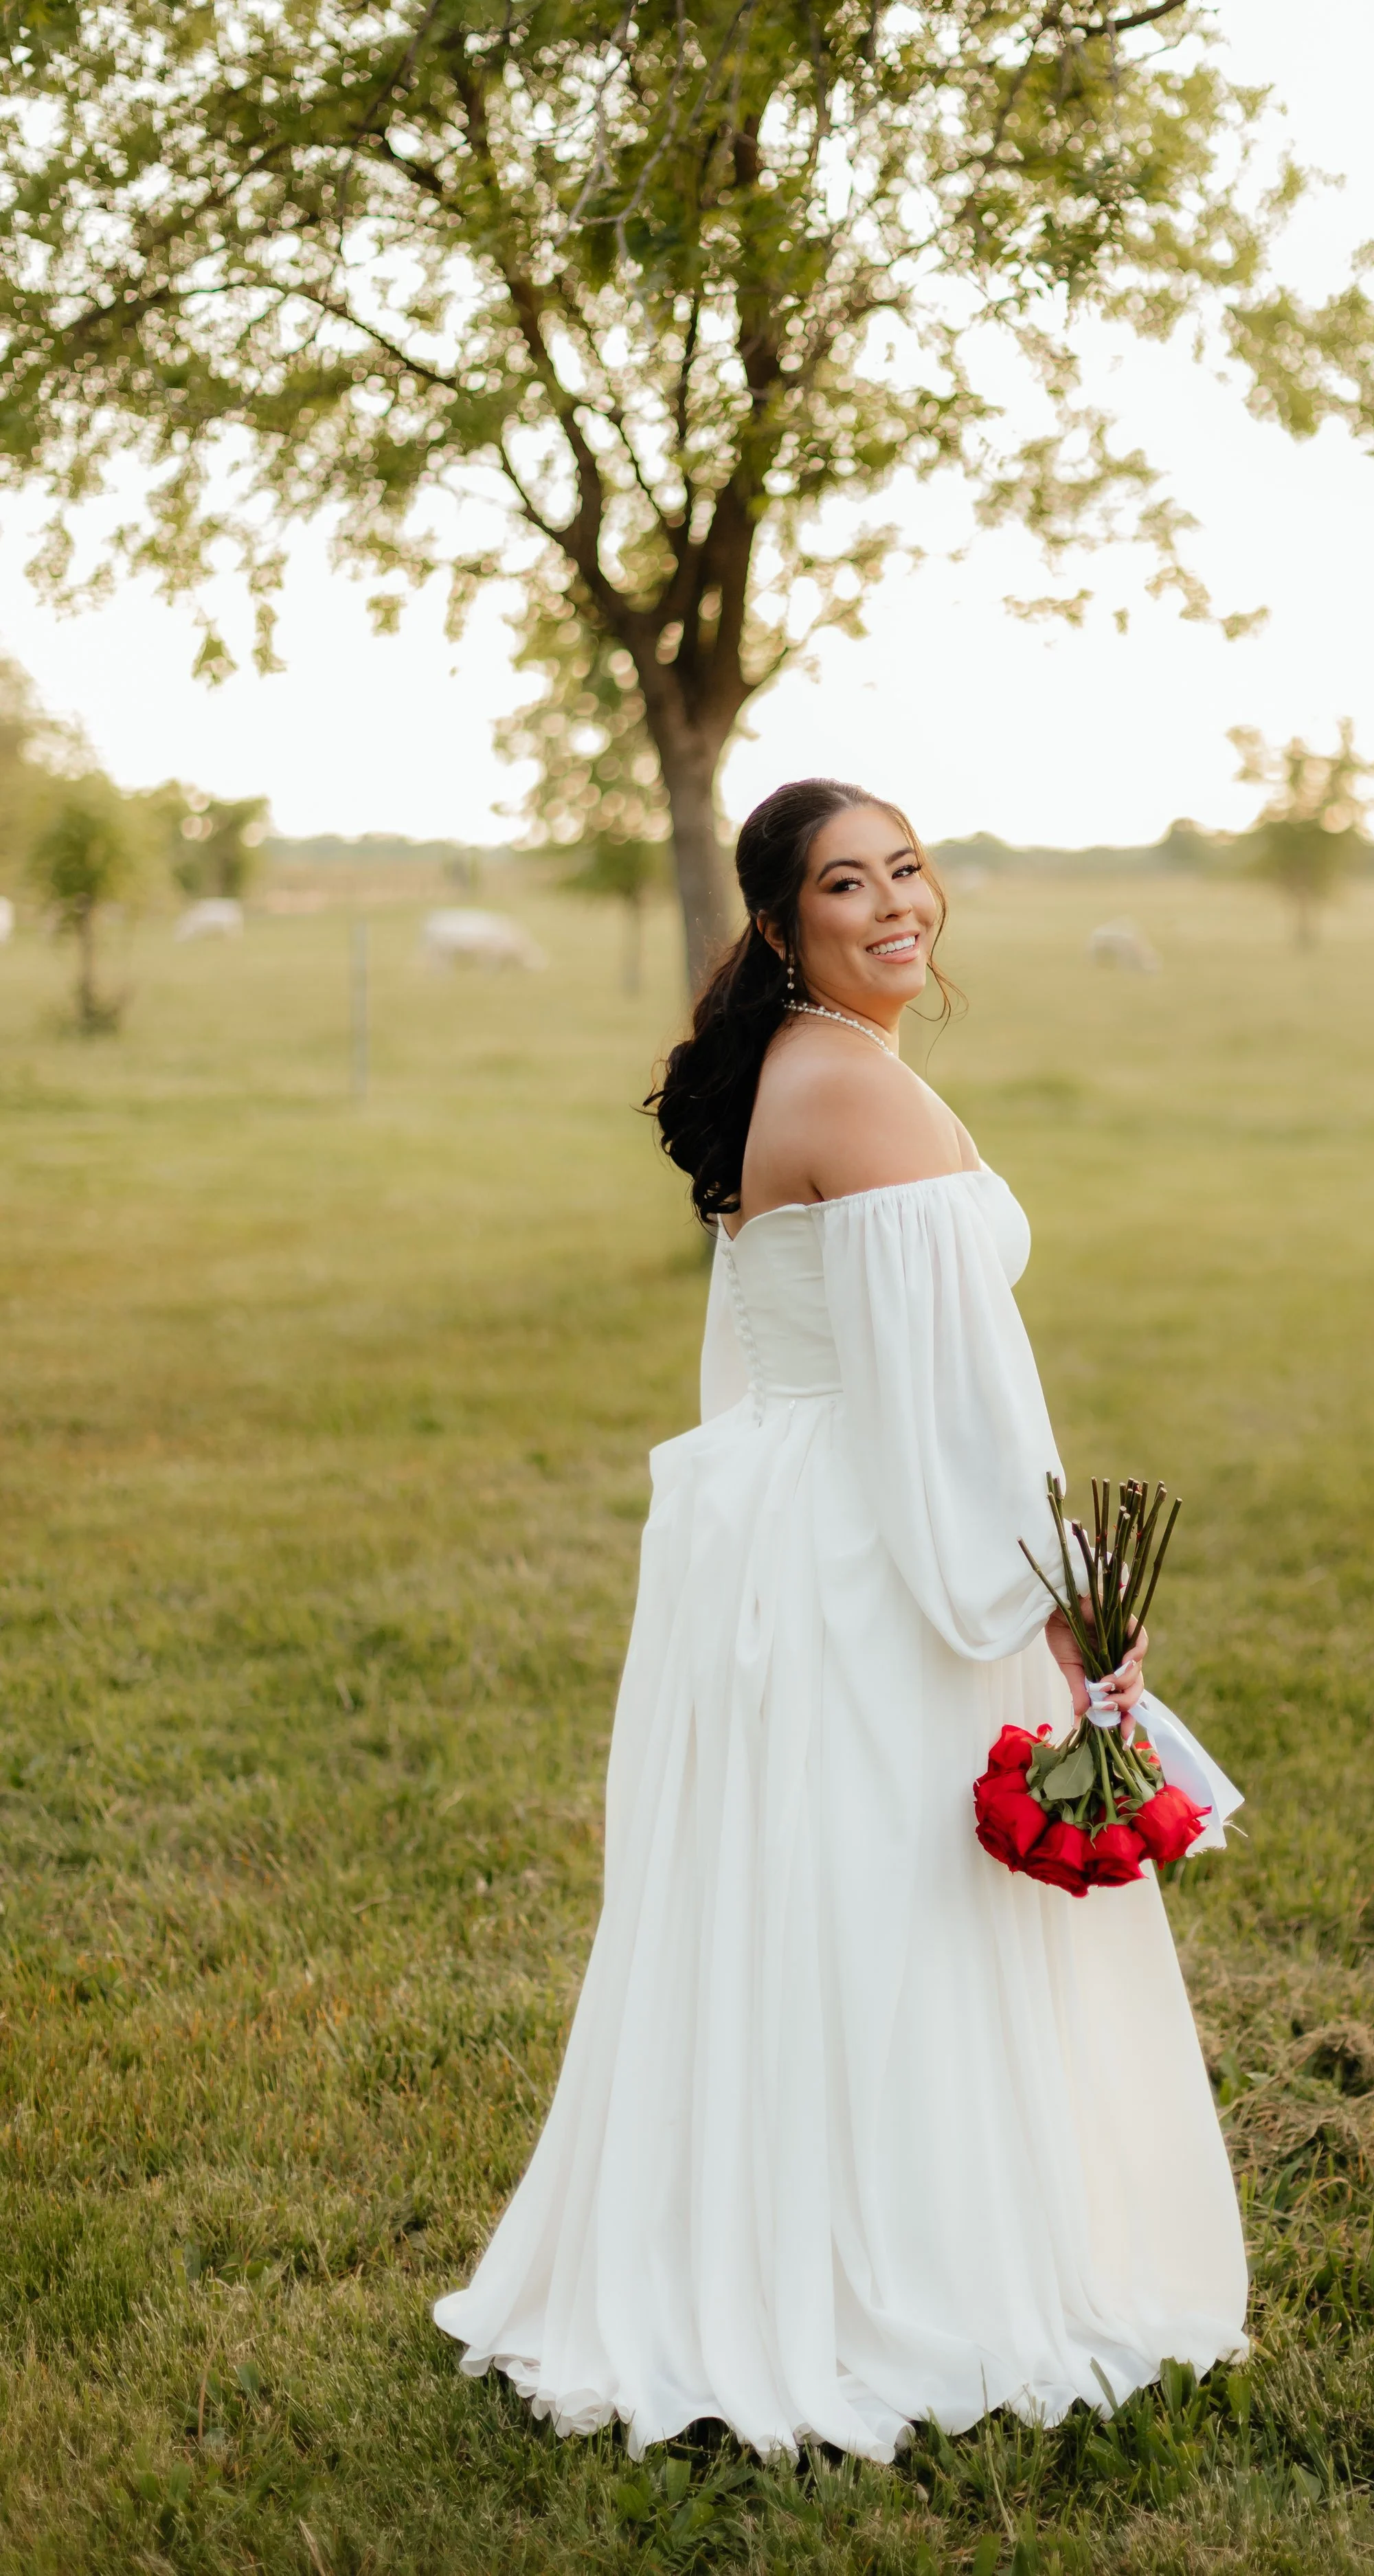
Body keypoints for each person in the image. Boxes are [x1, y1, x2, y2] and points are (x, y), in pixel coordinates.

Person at [434, 777, 1248, 2461]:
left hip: (792, 1534)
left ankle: (789, 2234)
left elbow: (791, 1361)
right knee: (884, 1905)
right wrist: (1058, 1615)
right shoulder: (846, 1089)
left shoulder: (821, 1067)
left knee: (811, 1896)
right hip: (868, 1552)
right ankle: (884, 2275)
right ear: (783, 921)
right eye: (847, 886)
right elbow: (948, 1402)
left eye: (909, 871)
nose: (897, 907)